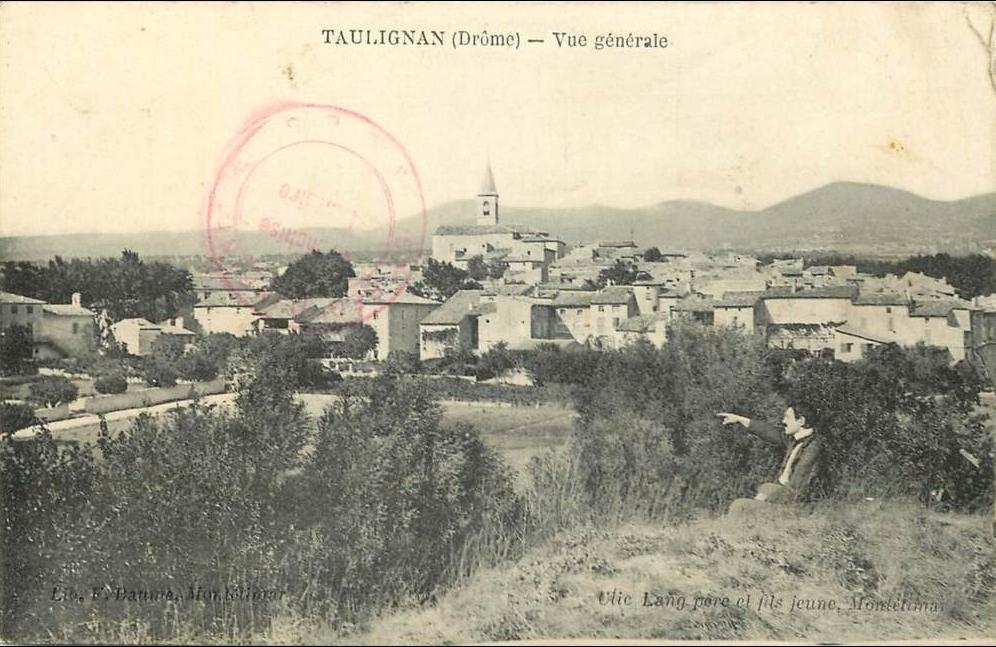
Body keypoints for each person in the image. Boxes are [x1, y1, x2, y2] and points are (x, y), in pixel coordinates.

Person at [716, 405, 822, 504]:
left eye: (787, 417)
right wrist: (739, 419)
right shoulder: (794, 440)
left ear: (801, 421)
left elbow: (796, 488)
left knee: (740, 505)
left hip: (794, 505)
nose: (783, 421)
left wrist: (768, 498)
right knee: (758, 494)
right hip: (782, 495)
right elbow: (768, 431)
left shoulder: (813, 448)